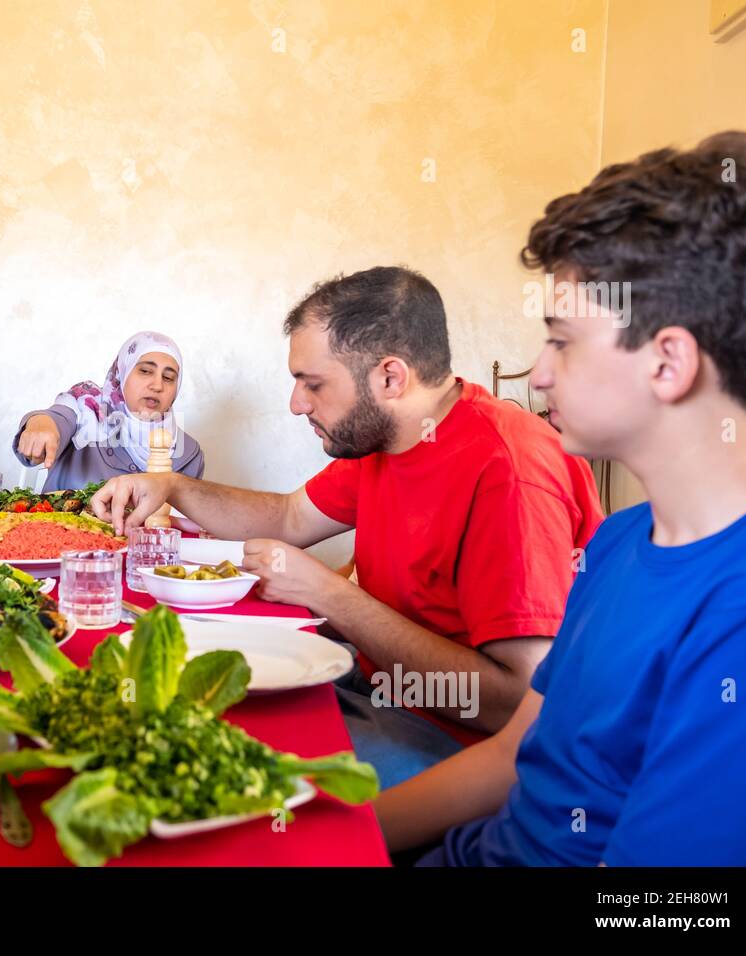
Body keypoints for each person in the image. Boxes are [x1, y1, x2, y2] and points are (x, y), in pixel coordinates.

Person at [374, 131, 746, 866]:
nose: (537, 376)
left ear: (668, 363)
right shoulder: (619, 541)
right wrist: (331, 843)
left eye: (561, 340)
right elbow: (512, 761)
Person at [93, 267, 604, 788]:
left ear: (390, 377)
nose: (297, 404)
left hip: (470, 746)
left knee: (216, 773)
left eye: (312, 385)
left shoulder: (509, 470)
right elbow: (289, 517)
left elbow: (513, 706)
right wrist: (172, 487)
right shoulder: (385, 438)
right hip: (379, 688)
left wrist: (327, 592)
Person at [14, 331, 204, 492]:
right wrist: (41, 423)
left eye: (169, 377)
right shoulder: (87, 410)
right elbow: (59, 418)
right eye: (145, 371)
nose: (157, 385)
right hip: (60, 534)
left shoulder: (188, 453)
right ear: (122, 374)